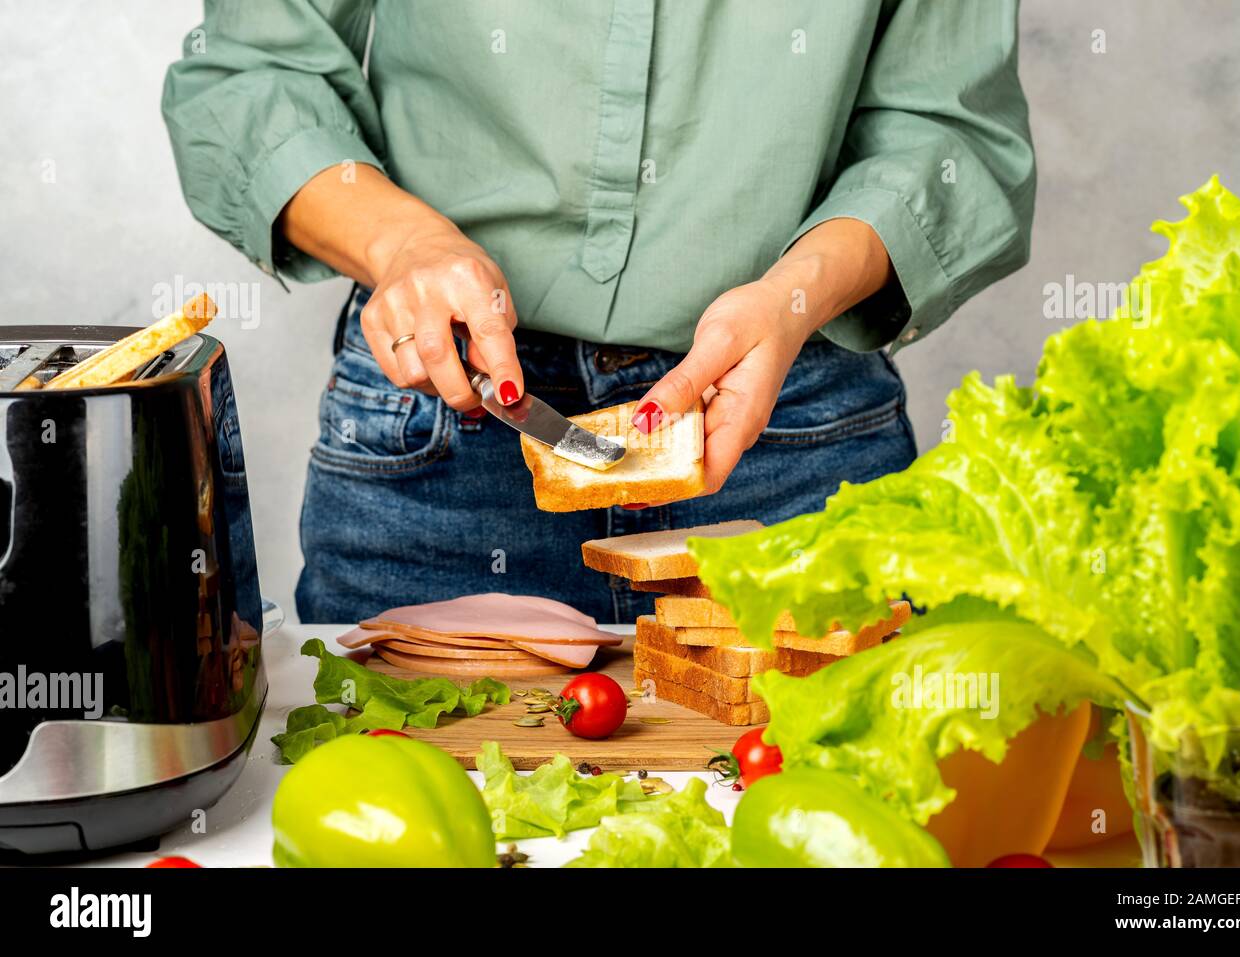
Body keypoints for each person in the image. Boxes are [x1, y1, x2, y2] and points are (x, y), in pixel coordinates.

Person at [162, 1, 1035, 624]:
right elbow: (253, 70)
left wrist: (791, 296)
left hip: (790, 437)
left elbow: (948, 131)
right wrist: (402, 247)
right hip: (438, 432)